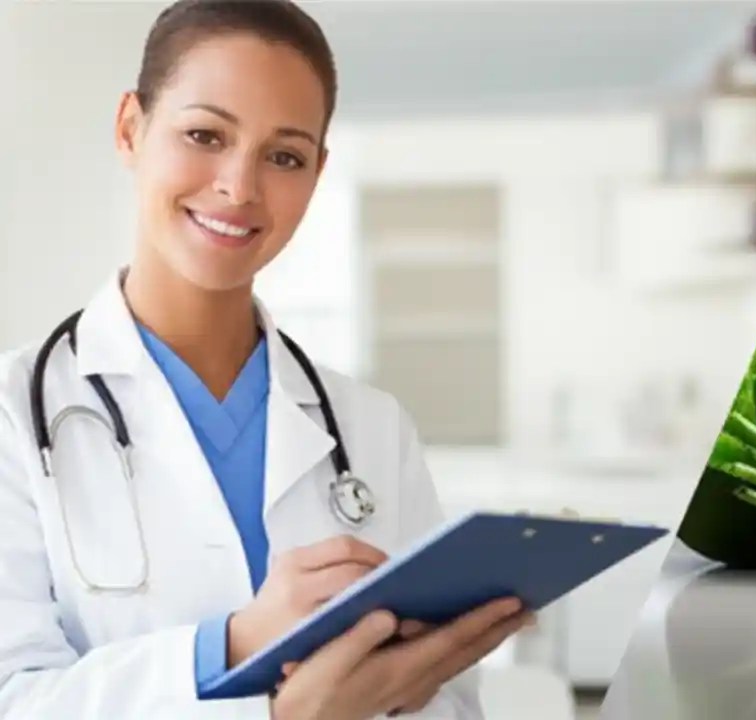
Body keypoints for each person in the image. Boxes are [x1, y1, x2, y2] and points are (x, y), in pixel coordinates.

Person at [0, 1, 531, 718]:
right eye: (204, 134)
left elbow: (451, 706)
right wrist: (243, 653)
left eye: (284, 156)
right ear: (131, 128)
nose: (240, 187)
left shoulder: (372, 429)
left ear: (316, 172)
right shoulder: (13, 414)